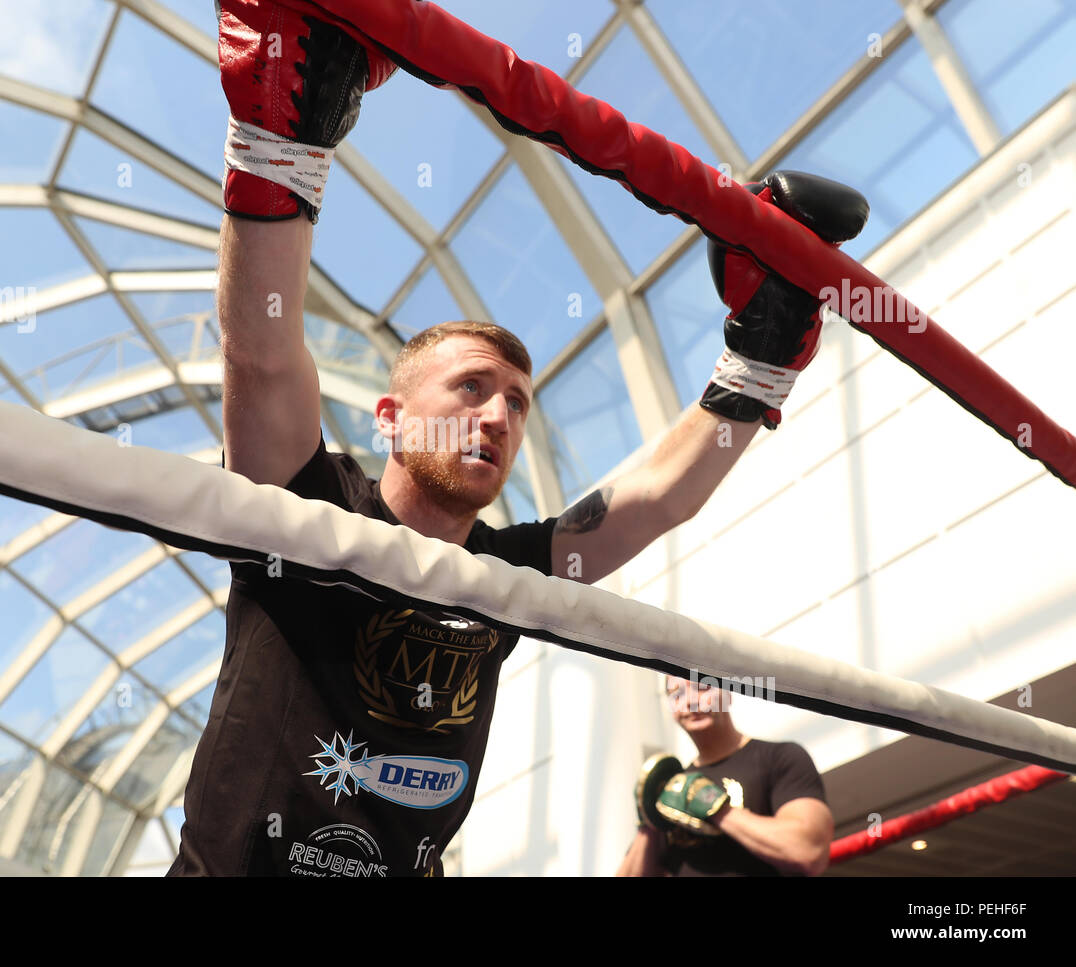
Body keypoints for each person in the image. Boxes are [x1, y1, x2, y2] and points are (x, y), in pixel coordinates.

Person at [168, 0, 866, 876]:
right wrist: (283, 131)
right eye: (471, 389)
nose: (500, 417)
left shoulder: (508, 573)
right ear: (391, 417)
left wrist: (762, 355)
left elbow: (655, 498)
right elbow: (263, 355)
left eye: (518, 403)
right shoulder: (302, 501)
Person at [617, 674, 833, 876]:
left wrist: (716, 808)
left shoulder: (780, 757)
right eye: (677, 694)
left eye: (703, 687)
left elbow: (807, 851)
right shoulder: (671, 790)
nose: (691, 701)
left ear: (728, 693)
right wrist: (649, 822)